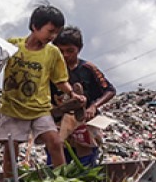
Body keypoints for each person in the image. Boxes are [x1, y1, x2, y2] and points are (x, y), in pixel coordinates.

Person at [0, 3, 82, 179]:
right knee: (11, 150)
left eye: (56, 32)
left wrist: (71, 94)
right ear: (35, 26)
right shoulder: (14, 46)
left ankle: (62, 181)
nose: (53, 36)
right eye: (50, 31)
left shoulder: (52, 53)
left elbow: (60, 80)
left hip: (40, 108)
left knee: (55, 141)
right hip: (13, 107)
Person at [48, 27, 116, 165]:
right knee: (57, 155)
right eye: (61, 51)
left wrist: (93, 106)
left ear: (79, 49)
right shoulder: (51, 71)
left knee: (85, 158)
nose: (65, 55)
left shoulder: (88, 68)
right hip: (60, 121)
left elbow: (109, 90)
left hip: (85, 119)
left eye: (70, 51)